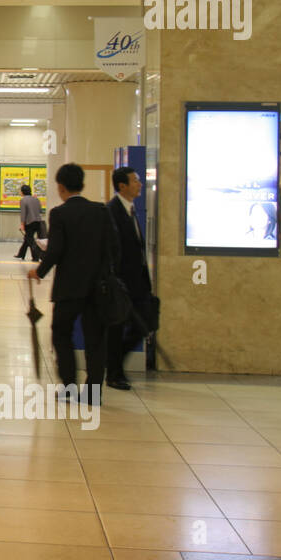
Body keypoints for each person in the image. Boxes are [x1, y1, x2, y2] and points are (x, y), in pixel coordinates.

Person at [28, 163, 117, 404]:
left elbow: (56, 250)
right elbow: (113, 248)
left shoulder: (59, 214)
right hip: (98, 288)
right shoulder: (101, 211)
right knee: (96, 340)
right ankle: (93, 393)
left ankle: (69, 388)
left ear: (60, 186)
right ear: (83, 184)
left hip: (69, 288)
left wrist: (40, 271)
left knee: (62, 335)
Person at [104, 166, 152, 391]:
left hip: (137, 283)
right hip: (120, 283)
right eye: (135, 181)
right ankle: (113, 373)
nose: (139, 184)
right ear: (122, 185)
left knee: (144, 323)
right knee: (117, 328)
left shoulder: (131, 210)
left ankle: (114, 366)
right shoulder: (112, 211)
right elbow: (112, 250)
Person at [16, 183, 43, 261]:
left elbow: (23, 213)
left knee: (30, 240)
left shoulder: (23, 200)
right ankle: (21, 254)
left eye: (20, 191)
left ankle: (36, 256)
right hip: (38, 221)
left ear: (23, 192)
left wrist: (22, 224)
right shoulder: (36, 199)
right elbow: (40, 210)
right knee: (28, 238)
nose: (20, 192)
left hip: (29, 222)